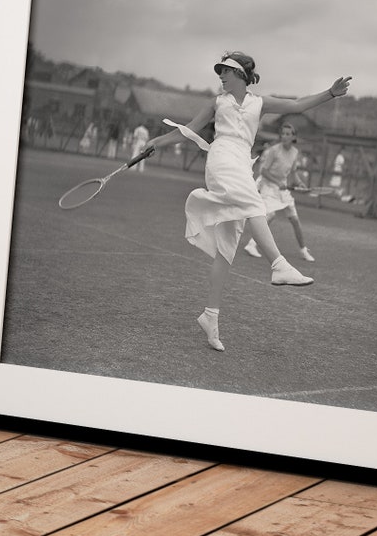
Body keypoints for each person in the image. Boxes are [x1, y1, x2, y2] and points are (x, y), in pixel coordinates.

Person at [143, 51, 352, 351]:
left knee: (227, 247)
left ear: (241, 74)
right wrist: (157, 142)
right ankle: (278, 265)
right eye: (220, 72)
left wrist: (331, 94)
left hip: (242, 161)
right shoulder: (217, 102)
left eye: (226, 71)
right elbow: (189, 130)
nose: (221, 76)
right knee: (254, 203)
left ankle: (210, 317)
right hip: (221, 157)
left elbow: (295, 104)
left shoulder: (260, 102)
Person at [243, 123, 315, 262]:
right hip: (268, 185)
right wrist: (278, 182)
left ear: (294, 136)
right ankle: (251, 245)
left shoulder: (295, 152)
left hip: (282, 189)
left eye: (288, 134)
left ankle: (303, 250)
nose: (284, 136)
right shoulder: (274, 151)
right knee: (270, 215)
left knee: (295, 220)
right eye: (283, 133)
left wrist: (299, 183)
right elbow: (263, 171)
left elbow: (293, 174)